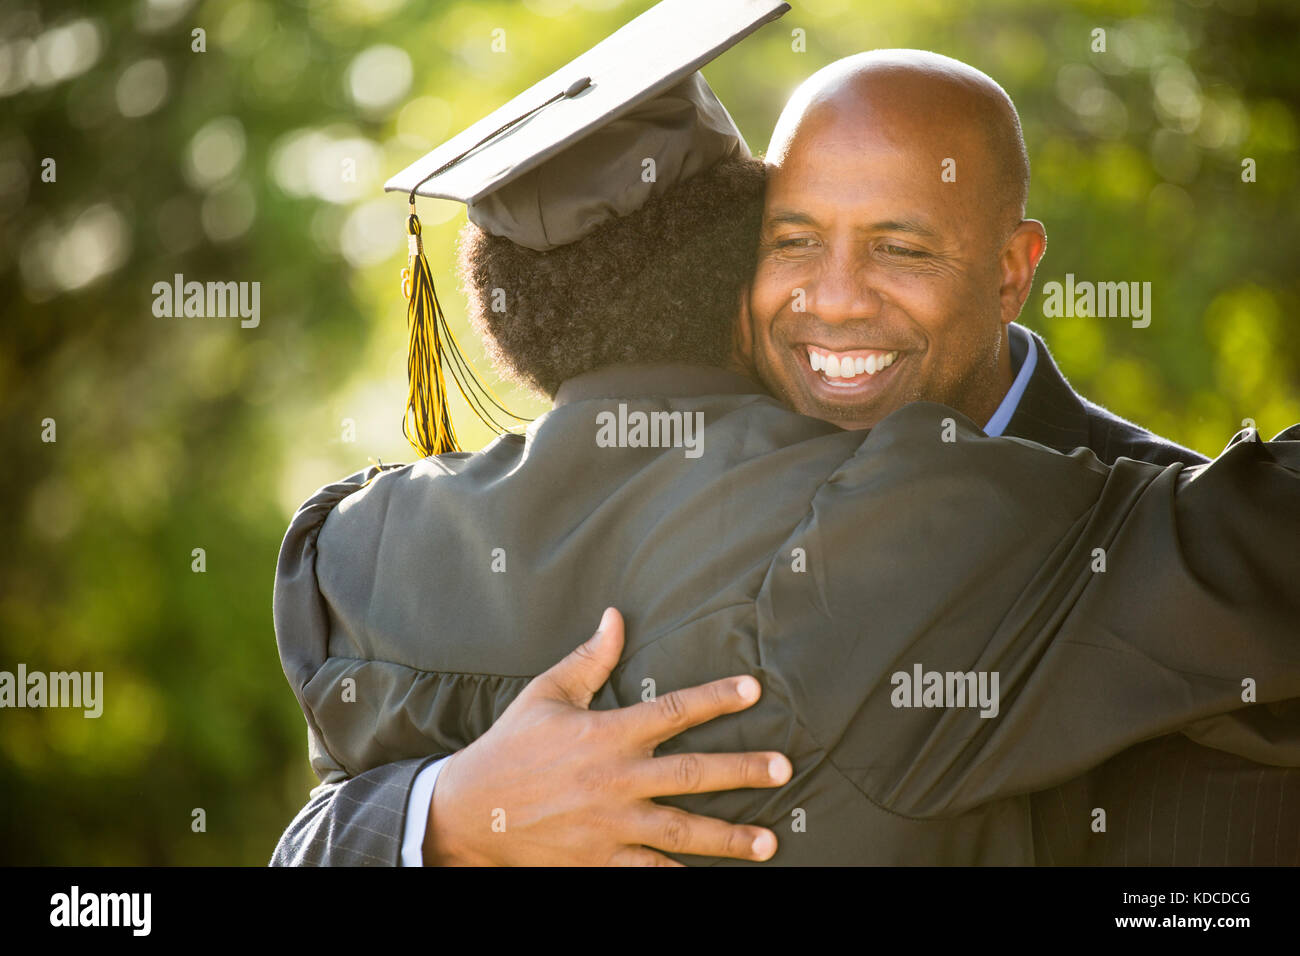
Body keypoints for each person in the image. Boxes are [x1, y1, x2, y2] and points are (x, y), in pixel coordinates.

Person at [269, 4, 1300, 865]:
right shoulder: (793, 524)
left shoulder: (356, 558)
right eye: (793, 239)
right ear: (732, 273)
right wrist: (446, 810)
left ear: (1010, 267)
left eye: (900, 246)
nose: (836, 301)